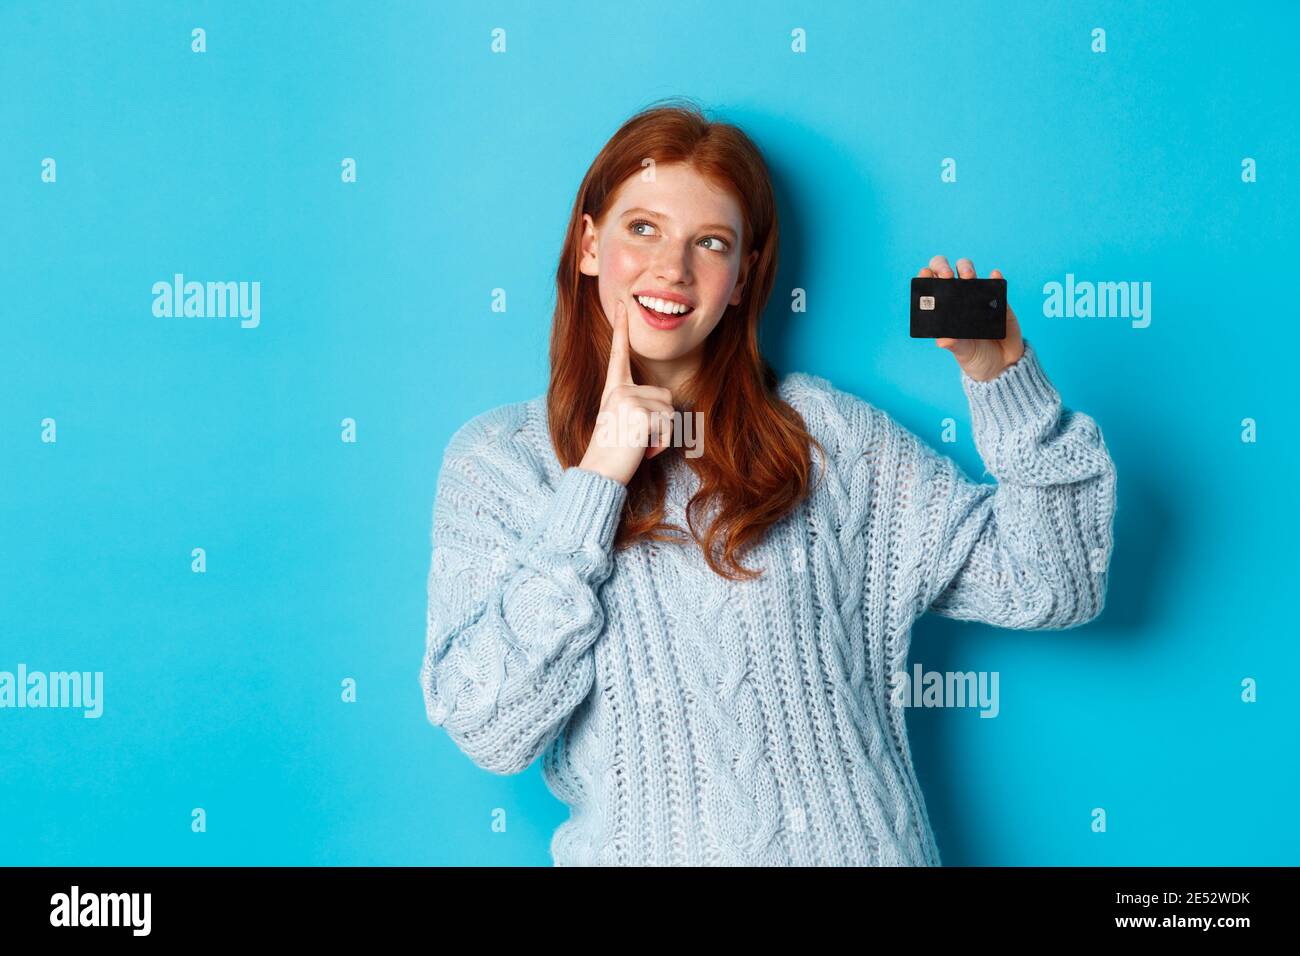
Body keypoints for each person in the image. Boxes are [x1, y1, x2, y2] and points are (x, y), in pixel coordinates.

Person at [418, 97, 1118, 866]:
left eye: (709, 243)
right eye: (642, 228)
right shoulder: (500, 461)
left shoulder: (828, 436)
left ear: (744, 277)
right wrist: (597, 482)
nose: (671, 269)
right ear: (589, 244)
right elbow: (489, 728)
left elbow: (1054, 582)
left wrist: (1000, 376)